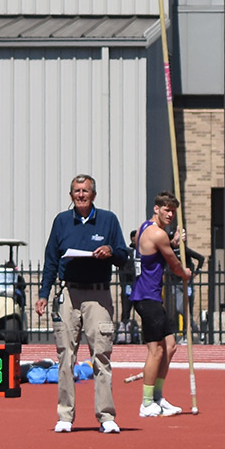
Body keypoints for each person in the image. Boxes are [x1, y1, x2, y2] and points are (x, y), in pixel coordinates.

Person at [35, 174, 131, 434]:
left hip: (98, 296)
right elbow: (51, 260)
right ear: (71, 196)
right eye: (76, 191)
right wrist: (44, 293)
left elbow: (124, 257)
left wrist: (111, 251)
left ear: (93, 195)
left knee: (101, 355)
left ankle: (106, 416)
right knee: (65, 356)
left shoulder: (108, 220)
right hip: (69, 294)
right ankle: (65, 416)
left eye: (85, 191)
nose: (81, 195)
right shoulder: (62, 221)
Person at [132, 192, 193, 418]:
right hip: (147, 297)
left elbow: (160, 252)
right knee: (155, 350)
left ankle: (157, 397)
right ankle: (146, 403)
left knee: (170, 346)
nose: (170, 214)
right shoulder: (157, 234)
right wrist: (185, 273)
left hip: (150, 296)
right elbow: (175, 265)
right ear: (156, 208)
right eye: (166, 210)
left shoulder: (145, 228)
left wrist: (174, 242)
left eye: (173, 211)